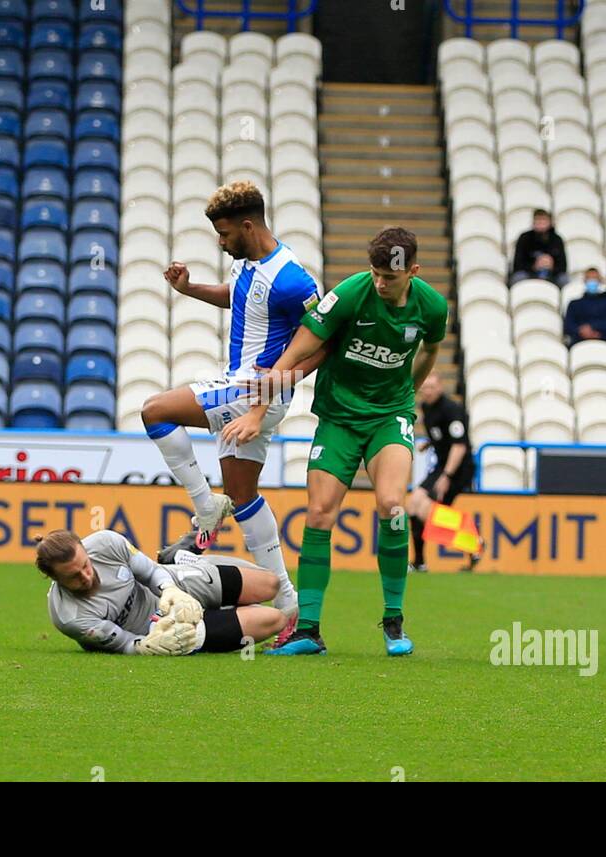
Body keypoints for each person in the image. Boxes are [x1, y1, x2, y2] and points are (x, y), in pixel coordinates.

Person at [221, 227, 449, 657]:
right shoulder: (348, 295)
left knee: (393, 507)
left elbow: (430, 350)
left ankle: (394, 620)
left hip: (388, 418)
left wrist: (408, 395)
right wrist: (260, 403)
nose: (380, 283)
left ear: (413, 272)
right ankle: (309, 630)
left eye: (390, 277)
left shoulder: (433, 307)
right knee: (320, 514)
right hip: (339, 417)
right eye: (376, 273)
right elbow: (299, 348)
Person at [140, 181, 324, 637]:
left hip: (251, 388)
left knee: (154, 411)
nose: (220, 243)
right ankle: (287, 604)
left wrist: (274, 389)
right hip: (249, 391)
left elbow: (325, 337)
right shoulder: (250, 264)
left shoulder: (292, 278)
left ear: (247, 225)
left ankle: (205, 510)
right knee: (243, 496)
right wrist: (191, 289)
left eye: (224, 234)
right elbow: (239, 296)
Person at [38, 529, 288, 655]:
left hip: (171, 586)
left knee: (271, 585)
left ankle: (182, 558)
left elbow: (148, 572)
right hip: (161, 628)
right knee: (275, 619)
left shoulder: (105, 542)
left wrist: (171, 590)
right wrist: (152, 644)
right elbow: (126, 643)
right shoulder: (70, 617)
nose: (86, 576)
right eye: (73, 576)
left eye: (85, 565)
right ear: (54, 578)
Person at [404, 371, 477, 573]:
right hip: (441, 466)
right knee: (412, 506)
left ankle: (474, 542)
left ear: (440, 388)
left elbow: (459, 446)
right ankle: (419, 562)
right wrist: (430, 443)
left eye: (431, 387)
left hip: (459, 468)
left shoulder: (452, 410)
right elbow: (441, 435)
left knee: (426, 510)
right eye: (424, 388)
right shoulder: (427, 407)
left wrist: (447, 477)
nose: (427, 391)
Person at [563, 267, 606, 350]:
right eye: (589, 278)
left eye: (595, 278)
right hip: (579, 339)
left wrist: (594, 329)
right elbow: (569, 325)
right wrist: (582, 331)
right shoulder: (574, 304)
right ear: (584, 280)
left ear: (600, 280)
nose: (592, 281)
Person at [510, 208, 568, 286]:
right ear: (533, 223)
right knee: (518, 277)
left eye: (544, 221)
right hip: (529, 273)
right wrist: (534, 266)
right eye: (538, 221)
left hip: (552, 274)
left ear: (550, 222)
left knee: (564, 279)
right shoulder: (524, 238)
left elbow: (563, 266)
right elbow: (517, 264)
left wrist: (551, 266)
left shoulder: (557, 239)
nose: (541, 224)